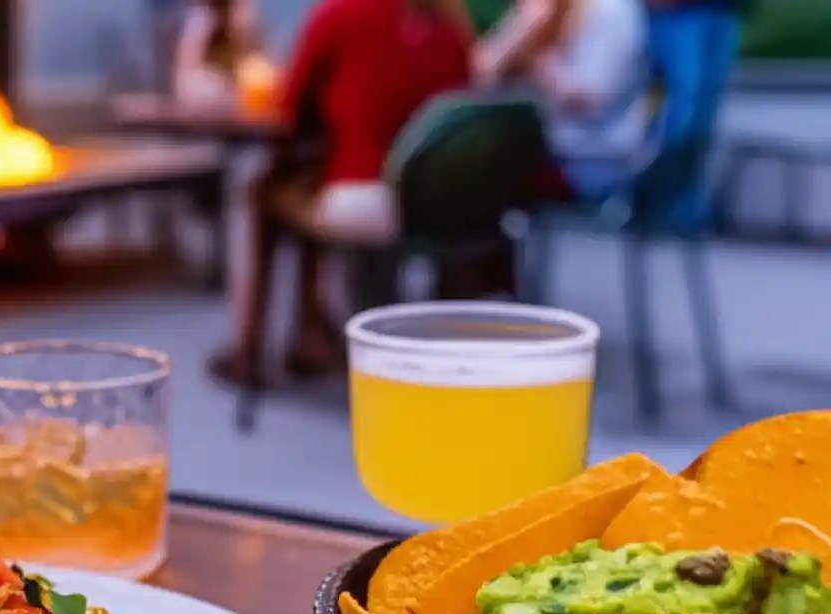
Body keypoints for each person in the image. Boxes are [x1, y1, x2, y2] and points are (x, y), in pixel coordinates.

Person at [210, 0, 472, 387]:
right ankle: (311, 331)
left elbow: (289, 104)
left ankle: (248, 348)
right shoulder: (453, 26)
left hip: (366, 196)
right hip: (438, 203)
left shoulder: (341, 12)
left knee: (260, 192)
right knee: (301, 187)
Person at [476, 0, 649, 201]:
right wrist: (522, 33)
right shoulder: (544, 9)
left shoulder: (612, 11)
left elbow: (591, 101)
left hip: (590, 159)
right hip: (540, 152)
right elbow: (485, 75)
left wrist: (535, 61)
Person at [646, 0, 745, 229]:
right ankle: (657, 203)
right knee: (682, 109)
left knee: (703, 114)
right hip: (678, 13)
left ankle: (686, 207)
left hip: (718, 10)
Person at [173, 0, 266, 108]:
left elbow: (260, 76)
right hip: (205, 115)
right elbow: (184, 84)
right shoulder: (202, 22)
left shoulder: (252, 31)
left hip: (242, 115)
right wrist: (223, 88)